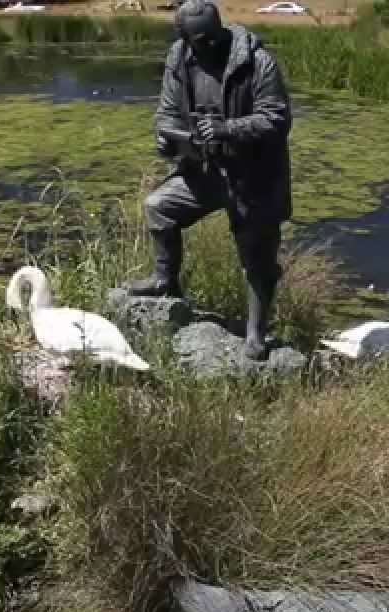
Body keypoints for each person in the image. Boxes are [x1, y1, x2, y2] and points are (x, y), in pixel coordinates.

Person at [126, 0, 293, 361]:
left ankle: (255, 333)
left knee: (257, 257)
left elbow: (276, 119)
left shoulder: (257, 62)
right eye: (201, 40)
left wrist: (227, 129)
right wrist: (166, 138)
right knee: (158, 207)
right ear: (185, 38)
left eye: (214, 36)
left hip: (253, 179)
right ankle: (165, 280)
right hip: (203, 171)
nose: (211, 45)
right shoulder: (179, 58)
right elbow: (168, 111)